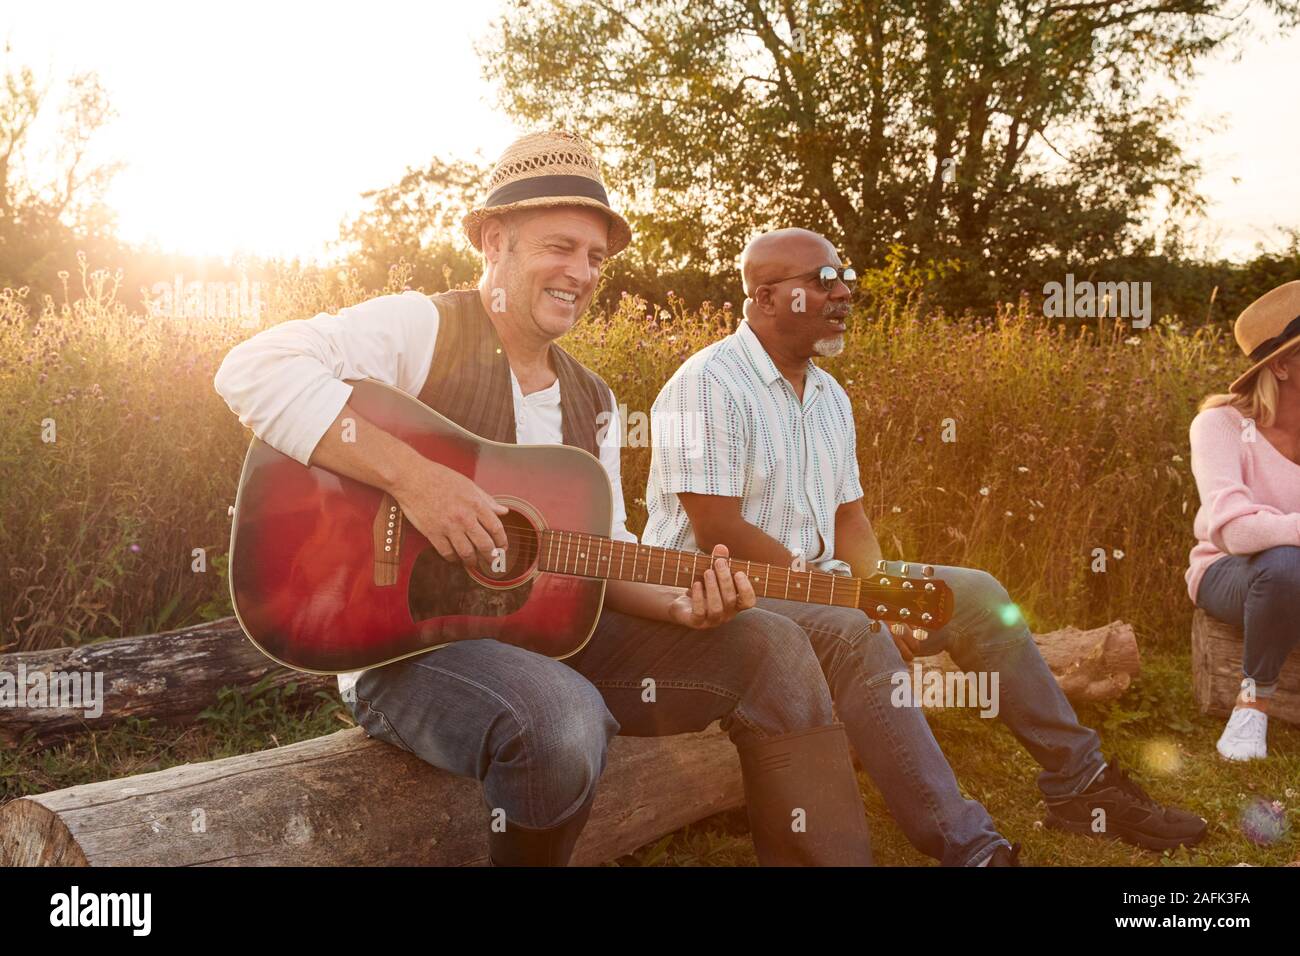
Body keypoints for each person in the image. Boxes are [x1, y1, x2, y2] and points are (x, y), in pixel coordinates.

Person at [213, 132, 875, 867]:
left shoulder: (592, 400)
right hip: (405, 649)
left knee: (771, 644)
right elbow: (252, 368)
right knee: (561, 715)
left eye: (595, 258)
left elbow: (607, 555)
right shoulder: (424, 328)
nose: (582, 273)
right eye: (561, 247)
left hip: (551, 636)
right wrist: (416, 479)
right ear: (496, 240)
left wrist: (680, 604)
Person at [643, 227, 1209, 856]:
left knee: (975, 595)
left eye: (846, 277)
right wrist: (857, 599)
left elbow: (848, 518)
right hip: (714, 593)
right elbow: (717, 528)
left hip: (816, 580)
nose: (845, 292)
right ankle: (968, 845)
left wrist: (881, 589)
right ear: (766, 298)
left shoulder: (828, 395)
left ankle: (1080, 784)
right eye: (823, 280)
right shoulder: (707, 385)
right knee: (857, 629)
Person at [1188, 280, 1300, 761]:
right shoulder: (1220, 425)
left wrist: (1274, 521)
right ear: (1280, 365)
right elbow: (1236, 532)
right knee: (1282, 564)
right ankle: (1252, 708)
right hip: (1229, 573)